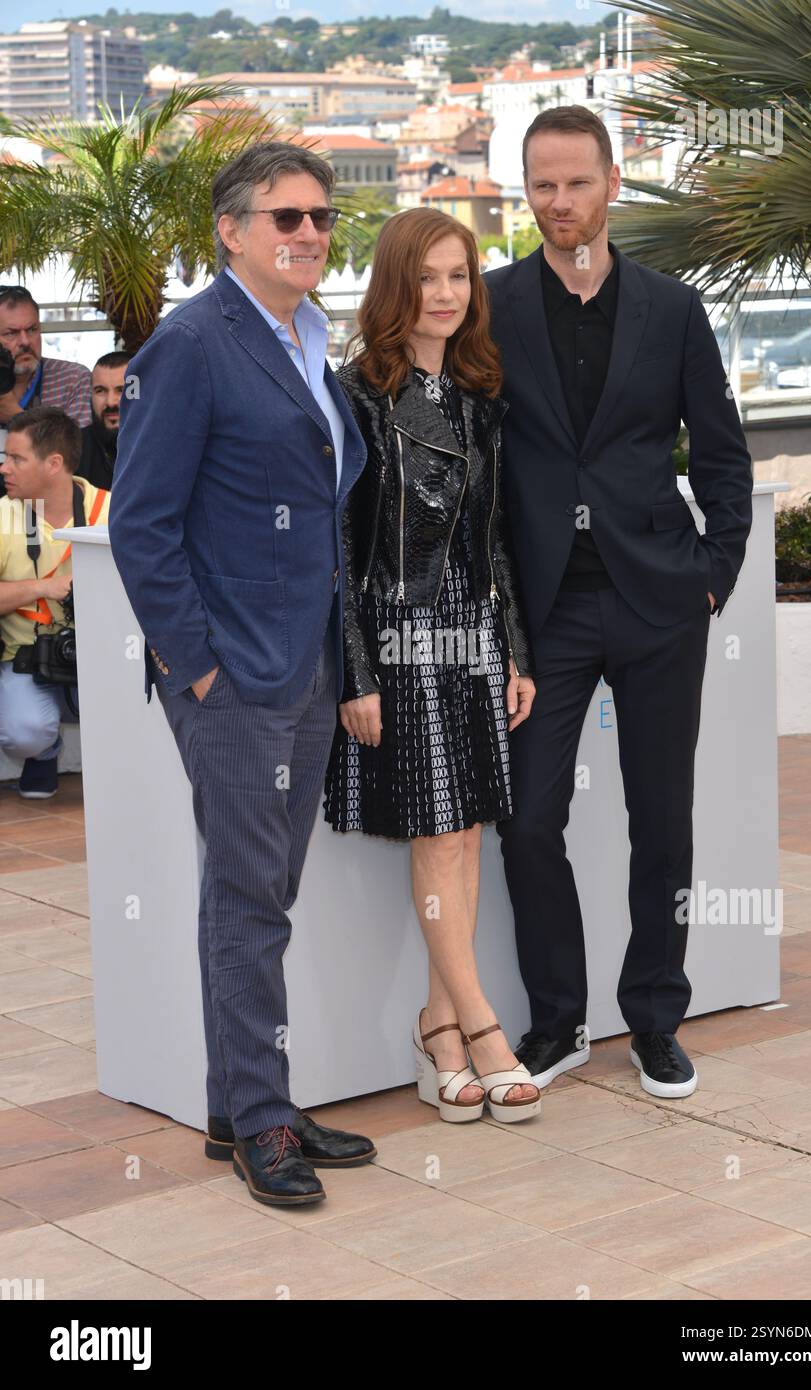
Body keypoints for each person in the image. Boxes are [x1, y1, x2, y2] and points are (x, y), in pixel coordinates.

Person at [107, 141, 376, 1208]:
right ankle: (262, 1121)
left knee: (264, 890)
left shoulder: (308, 335)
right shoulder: (191, 343)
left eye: (319, 216)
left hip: (304, 662)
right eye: (285, 217)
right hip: (236, 679)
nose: (309, 232)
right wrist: (198, 669)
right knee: (249, 896)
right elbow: (141, 523)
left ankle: (242, 1101)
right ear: (230, 230)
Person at [484, 106, 753, 1099]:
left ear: (612, 183)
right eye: (543, 186)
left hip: (656, 601)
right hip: (542, 610)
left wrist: (712, 577)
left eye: (577, 183)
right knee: (526, 820)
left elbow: (724, 460)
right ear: (527, 192)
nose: (560, 203)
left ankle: (655, 1018)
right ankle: (558, 1021)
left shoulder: (672, 311)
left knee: (664, 822)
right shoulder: (491, 303)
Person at [323, 207, 541, 1124]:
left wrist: (514, 651)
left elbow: (491, 542)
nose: (446, 295)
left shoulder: (481, 395)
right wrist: (355, 673)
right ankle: (481, 1027)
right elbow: (335, 547)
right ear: (394, 286)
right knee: (436, 832)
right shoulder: (356, 396)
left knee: (468, 833)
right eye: (429, 278)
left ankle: (436, 1029)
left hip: (471, 640)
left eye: (460, 277)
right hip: (397, 636)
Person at [0, 407, 109, 798]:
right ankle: (43, 752)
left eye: (16, 459)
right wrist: (43, 588)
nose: (4, 469)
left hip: (106, 656)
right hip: (27, 659)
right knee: (23, 732)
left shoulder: (113, 510)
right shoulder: (3, 516)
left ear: (54, 464)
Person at [0, 286, 92, 501]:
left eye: (32, 329)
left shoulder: (73, 379)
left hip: (49, 513)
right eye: (11, 333)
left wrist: (14, 415)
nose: (25, 341)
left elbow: (75, 464)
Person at [78, 352, 132, 488]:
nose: (110, 402)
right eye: (100, 391)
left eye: (121, 390)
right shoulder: (70, 448)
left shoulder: (163, 448)